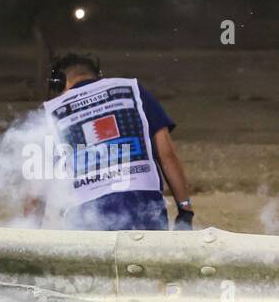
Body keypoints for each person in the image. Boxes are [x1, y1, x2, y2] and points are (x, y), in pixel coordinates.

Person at [42, 53, 194, 232]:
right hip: (144, 210)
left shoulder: (51, 112)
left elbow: (37, 188)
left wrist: (25, 240)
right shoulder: (134, 90)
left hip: (85, 219)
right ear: (97, 76)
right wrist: (185, 209)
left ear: (59, 82)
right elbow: (166, 154)